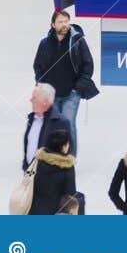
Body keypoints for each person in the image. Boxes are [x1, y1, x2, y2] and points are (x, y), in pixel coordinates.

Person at [33, 9, 96, 155]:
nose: (64, 25)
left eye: (66, 21)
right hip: (51, 95)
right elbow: (38, 66)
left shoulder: (78, 41)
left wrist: (79, 86)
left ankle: (70, 157)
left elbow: (88, 63)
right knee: (52, 125)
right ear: (53, 25)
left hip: (71, 93)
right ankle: (53, 155)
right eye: (60, 22)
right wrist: (41, 85)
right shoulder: (44, 44)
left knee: (68, 123)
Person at [30, 122, 77, 215]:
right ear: (63, 147)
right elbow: (70, 195)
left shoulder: (36, 161)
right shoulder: (67, 166)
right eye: (67, 144)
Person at [23, 85, 56, 170]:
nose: (30, 100)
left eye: (34, 98)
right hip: (31, 173)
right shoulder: (32, 119)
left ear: (44, 101)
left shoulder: (59, 123)